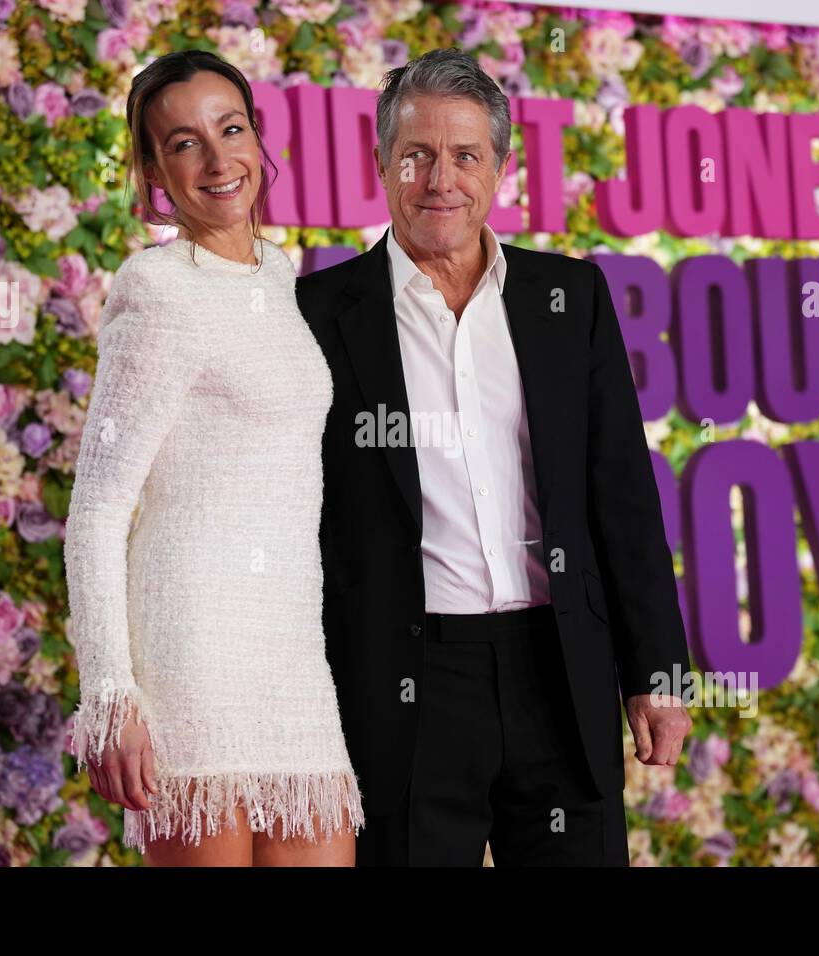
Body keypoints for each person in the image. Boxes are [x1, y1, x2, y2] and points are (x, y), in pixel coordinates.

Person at [295, 48, 693, 866]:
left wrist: (658, 673)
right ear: (381, 164)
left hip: (561, 672)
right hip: (404, 682)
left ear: (501, 169)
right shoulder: (316, 314)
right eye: (417, 155)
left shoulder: (569, 299)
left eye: (466, 155)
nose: (442, 178)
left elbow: (622, 497)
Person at [63, 49, 364, 867]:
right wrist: (111, 697)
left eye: (230, 129)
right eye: (184, 142)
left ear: (257, 140)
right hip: (192, 656)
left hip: (294, 660)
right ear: (155, 168)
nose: (217, 157)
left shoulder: (280, 274)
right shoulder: (158, 288)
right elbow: (96, 507)